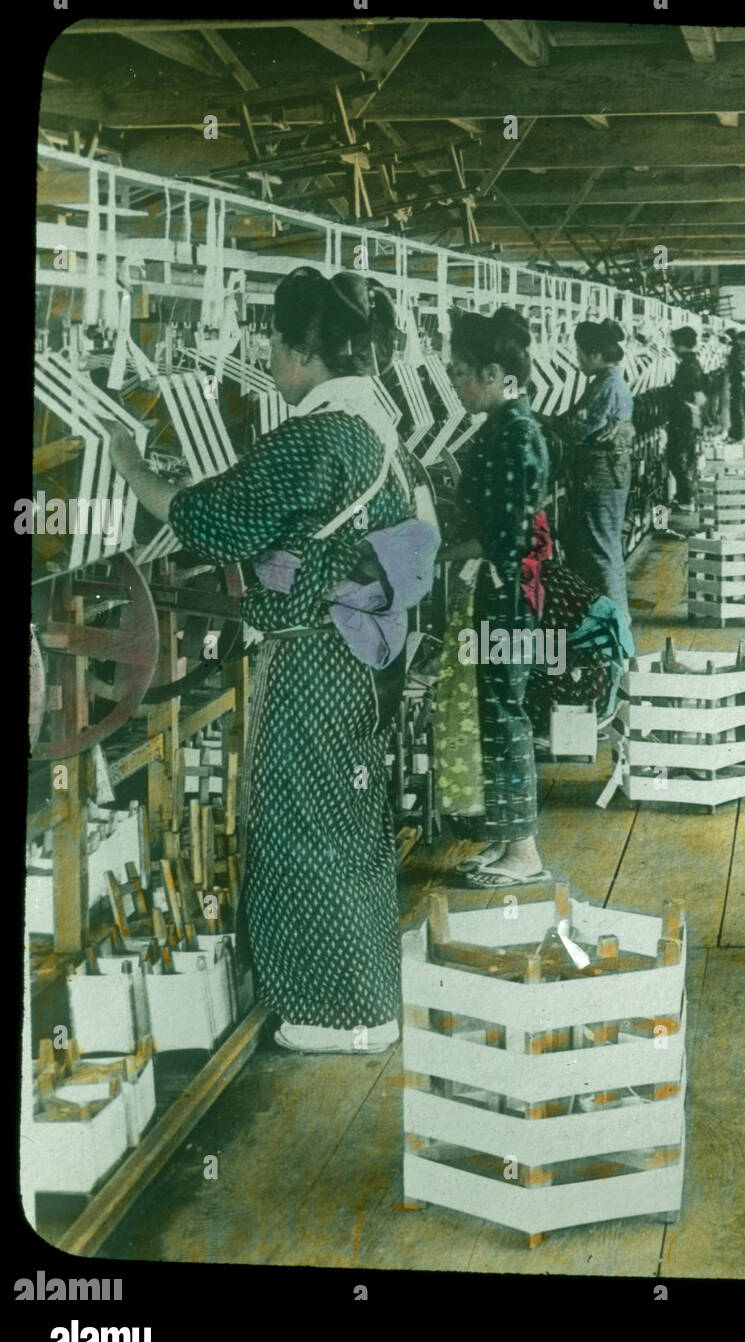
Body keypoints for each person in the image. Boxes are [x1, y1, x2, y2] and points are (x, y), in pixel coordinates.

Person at [107, 266, 438, 1053]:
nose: (270, 363)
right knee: (347, 823)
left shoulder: (319, 435)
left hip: (315, 657)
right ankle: (365, 999)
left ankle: (332, 1015)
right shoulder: (370, 422)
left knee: (300, 824)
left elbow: (214, 522)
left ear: (299, 353)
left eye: (273, 348)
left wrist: (127, 465)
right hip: (358, 658)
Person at [443, 307, 551, 889]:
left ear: (493, 372)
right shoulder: (505, 425)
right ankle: (506, 836)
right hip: (501, 588)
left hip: (508, 593)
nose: (456, 382)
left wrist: (445, 549)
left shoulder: (516, 433)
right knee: (495, 710)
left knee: (506, 713)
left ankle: (525, 851)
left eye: (461, 372)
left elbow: (506, 536)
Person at [557, 318, 636, 624]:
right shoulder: (606, 382)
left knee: (601, 549)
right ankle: (608, 617)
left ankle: (615, 620)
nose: (577, 360)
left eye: (580, 354)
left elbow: (578, 429)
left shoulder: (607, 386)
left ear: (596, 355)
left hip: (601, 477)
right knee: (604, 546)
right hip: (608, 474)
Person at [665, 325, 707, 509]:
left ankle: (685, 499)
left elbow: (692, 394)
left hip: (684, 418)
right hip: (691, 417)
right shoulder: (693, 362)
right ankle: (689, 497)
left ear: (681, 344)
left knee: (678, 458)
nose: (672, 346)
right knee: (687, 457)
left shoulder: (688, 364)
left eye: (674, 343)